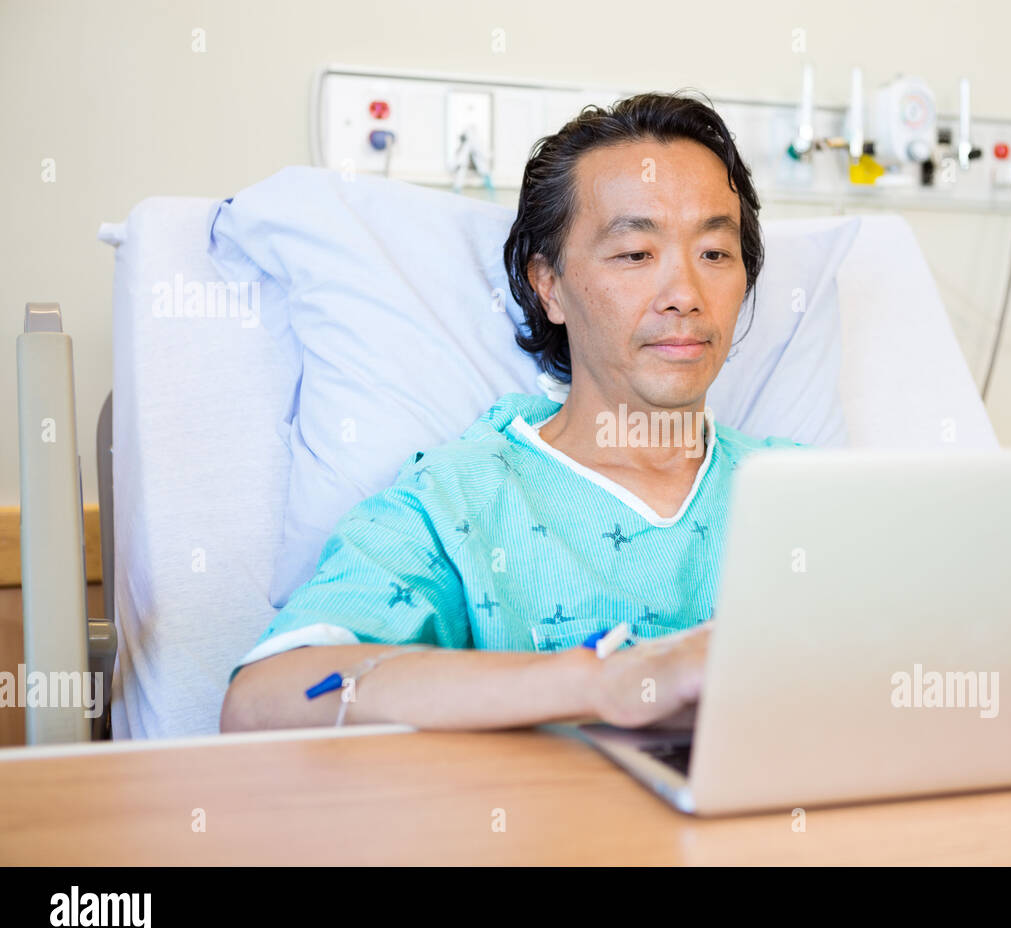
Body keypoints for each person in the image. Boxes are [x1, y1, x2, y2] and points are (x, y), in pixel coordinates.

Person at [220, 91, 802, 734]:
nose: (686, 296)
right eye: (636, 254)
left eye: (715, 254)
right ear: (549, 285)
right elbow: (266, 698)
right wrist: (603, 683)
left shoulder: (807, 491)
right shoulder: (463, 499)